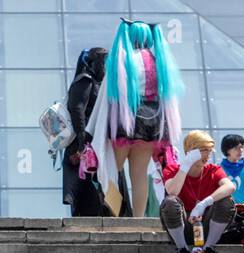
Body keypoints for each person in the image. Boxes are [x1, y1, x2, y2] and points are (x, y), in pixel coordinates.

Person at [86, 19, 184, 218]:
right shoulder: (160, 62)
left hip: (123, 122)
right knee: (139, 176)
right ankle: (138, 220)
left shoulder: (121, 60)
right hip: (151, 124)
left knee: (112, 170)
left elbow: (106, 97)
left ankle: (112, 216)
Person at [159, 130, 237, 253]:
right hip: (181, 226)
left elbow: (230, 186)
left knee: (226, 201)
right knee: (170, 202)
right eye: (202, 150)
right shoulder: (172, 169)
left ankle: (208, 249)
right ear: (189, 150)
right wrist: (185, 165)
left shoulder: (213, 170)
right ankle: (182, 249)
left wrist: (204, 203)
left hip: (206, 226)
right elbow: (172, 191)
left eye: (209, 150)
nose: (206, 154)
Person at [62, 48, 111, 217]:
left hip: (95, 143)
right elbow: (77, 110)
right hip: (83, 144)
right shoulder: (85, 81)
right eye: (103, 62)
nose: (106, 67)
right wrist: (83, 142)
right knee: (86, 191)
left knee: (97, 190)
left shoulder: (100, 84)